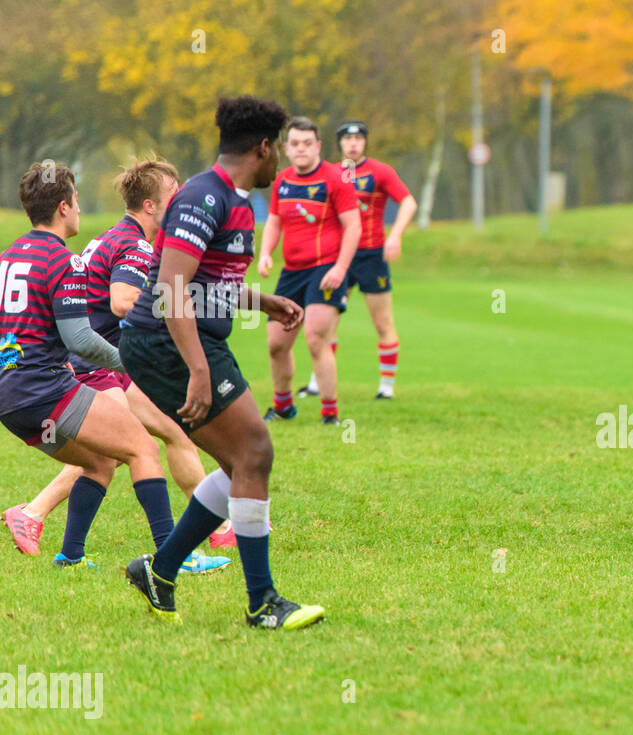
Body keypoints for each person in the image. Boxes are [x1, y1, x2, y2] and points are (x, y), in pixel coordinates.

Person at [119, 95, 324, 629]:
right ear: (262, 147)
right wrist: (200, 370)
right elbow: (170, 289)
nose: (278, 158)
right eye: (276, 148)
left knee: (244, 463)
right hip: (163, 341)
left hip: (189, 338)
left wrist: (263, 301)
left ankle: (160, 571)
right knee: (254, 450)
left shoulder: (233, 199)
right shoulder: (202, 198)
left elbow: (209, 286)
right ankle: (261, 604)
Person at [3, 159, 231, 569]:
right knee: (143, 448)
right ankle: (172, 557)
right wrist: (131, 363)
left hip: (13, 392)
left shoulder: (7, 258)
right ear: (64, 208)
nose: (78, 208)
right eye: (75, 200)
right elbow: (84, 336)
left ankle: (69, 554)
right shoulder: (66, 260)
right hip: (47, 387)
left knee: (99, 459)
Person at [296, 120, 416, 400]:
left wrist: (395, 235)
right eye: (348, 139)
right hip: (337, 257)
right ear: (338, 144)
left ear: (365, 142)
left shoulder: (380, 171)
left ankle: (386, 387)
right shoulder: (330, 173)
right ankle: (317, 381)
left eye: (359, 139)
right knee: (325, 321)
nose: (353, 144)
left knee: (383, 321)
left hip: (372, 255)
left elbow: (409, 202)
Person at [257, 117, 360, 425]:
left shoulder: (336, 179)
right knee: (276, 343)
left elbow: (353, 225)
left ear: (317, 146)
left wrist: (341, 268)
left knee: (316, 337)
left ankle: (330, 412)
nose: (300, 149)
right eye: (295, 144)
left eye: (307, 143)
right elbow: (274, 222)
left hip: (325, 268)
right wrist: (264, 254)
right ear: (286, 148)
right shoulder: (283, 181)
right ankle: (283, 405)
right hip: (292, 271)